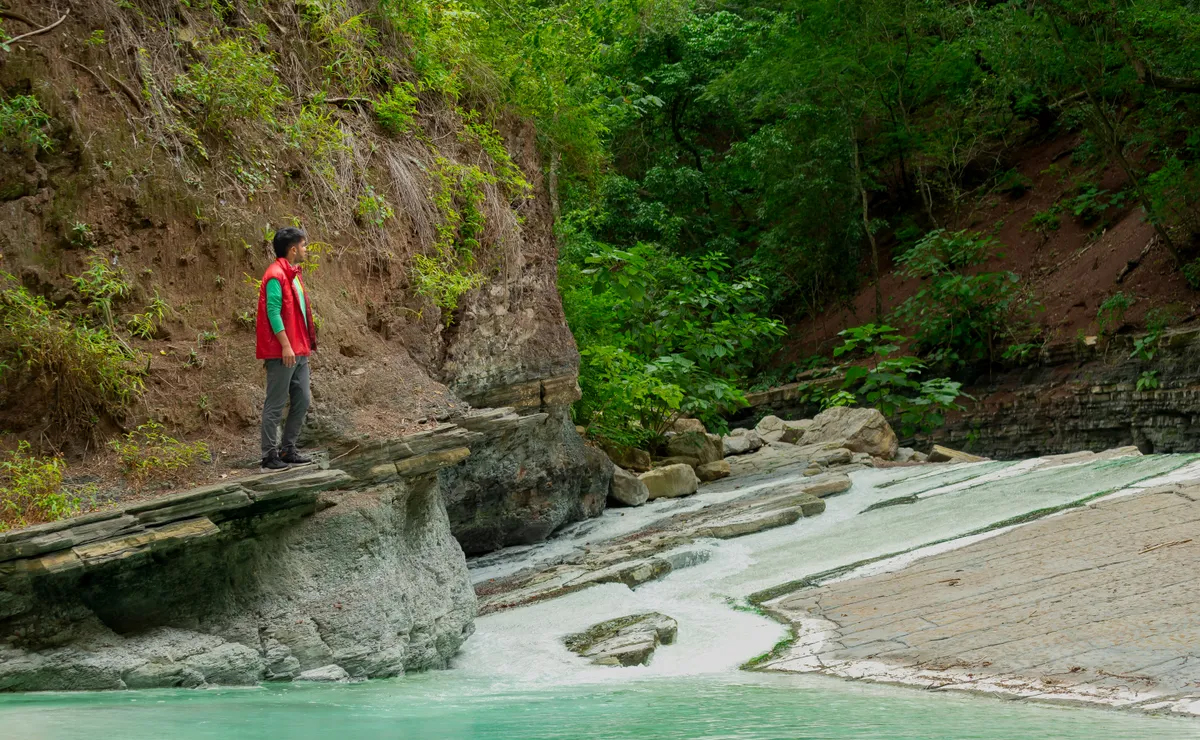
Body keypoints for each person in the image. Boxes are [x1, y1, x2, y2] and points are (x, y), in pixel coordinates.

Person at [256, 226, 317, 471]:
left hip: (299, 349)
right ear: (293, 249)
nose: (306, 250)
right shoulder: (275, 275)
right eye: (304, 246)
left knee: (302, 399)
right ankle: (269, 455)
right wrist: (285, 346)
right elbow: (272, 311)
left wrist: (300, 346)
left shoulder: (293, 273)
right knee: (276, 402)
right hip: (283, 351)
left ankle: (287, 448)